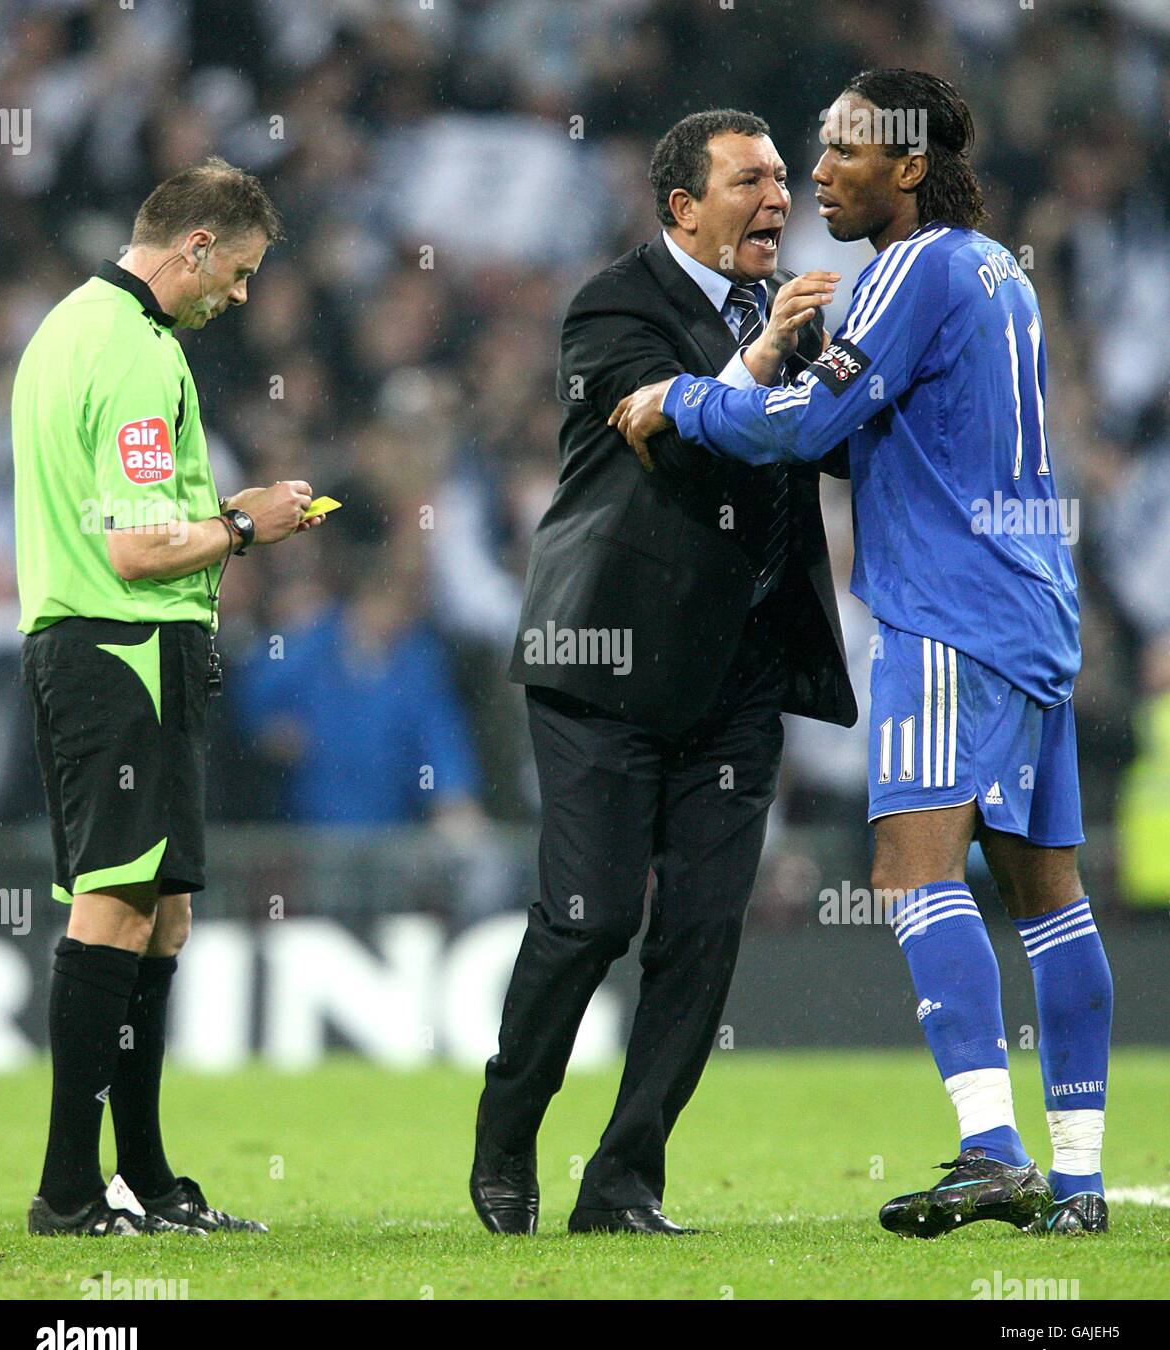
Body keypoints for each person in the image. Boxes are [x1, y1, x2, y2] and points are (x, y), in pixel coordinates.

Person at [612, 70, 1112, 1237]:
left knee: (910, 871)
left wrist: (678, 401)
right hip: (1033, 611)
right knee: (1046, 899)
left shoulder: (914, 266)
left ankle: (990, 1150)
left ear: (906, 165)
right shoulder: (995, 271)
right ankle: (1080, 1183)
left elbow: (804, 423)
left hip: (948, 615)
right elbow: (893, 441)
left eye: (839, 153)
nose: (815, 174)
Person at [471, 109, 857, 1237]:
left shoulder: (793, 309)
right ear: (683, 205)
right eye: (750, 180)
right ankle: (507, 1127)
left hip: (736, 677)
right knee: (588, 918)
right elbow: (670, 433)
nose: (779, 198)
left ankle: (623, 1182)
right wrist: (767, 352)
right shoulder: (613, 304)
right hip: (606, 661)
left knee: (700, 929)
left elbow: (845, 433)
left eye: (784, 178)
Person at [14, 156, 325, 1236]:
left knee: (162, 913)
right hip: (122, 653)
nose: (236, 298)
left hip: (114, 648)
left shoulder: (68, 329)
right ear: (193, 246)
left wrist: (221, 516)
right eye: (234, 274)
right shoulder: (137, 355)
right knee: (115, 902)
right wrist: (247, 527)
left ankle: (144, 1177)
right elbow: (142, 549)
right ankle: (66, 1188)